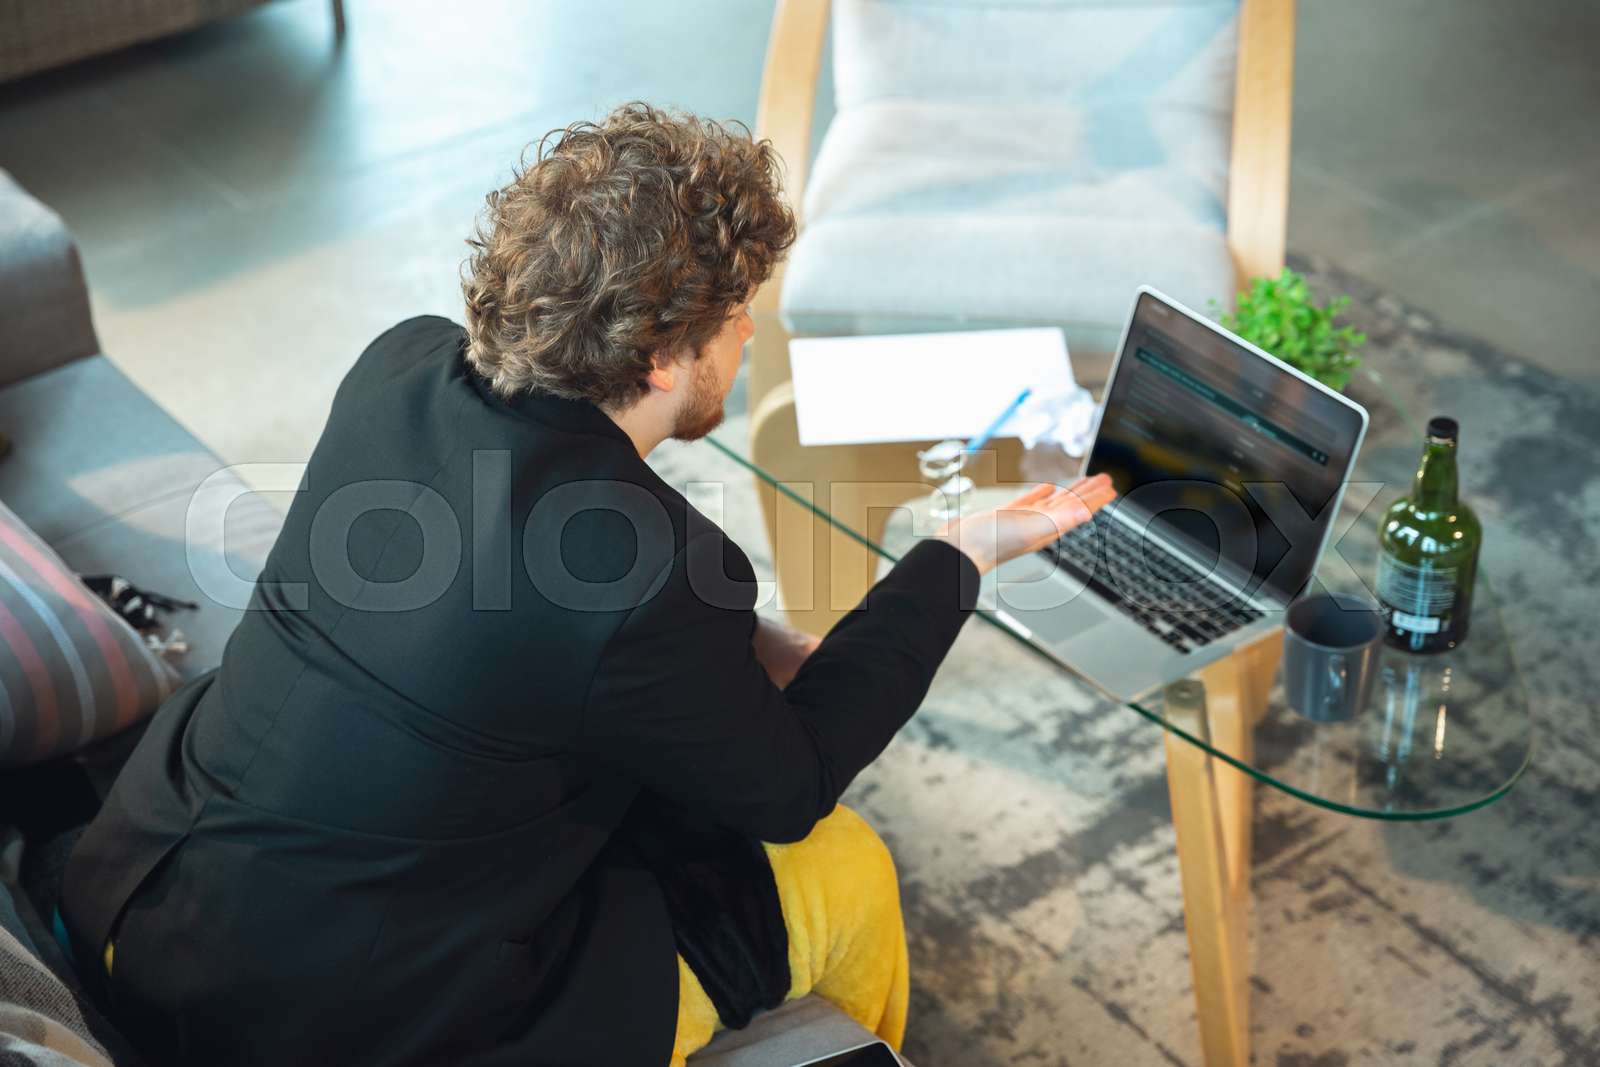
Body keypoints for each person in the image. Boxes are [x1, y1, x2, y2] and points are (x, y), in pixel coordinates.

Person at [59, 103, 1114, 1066]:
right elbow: (790, 789)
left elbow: (525, 595)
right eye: (739, 312)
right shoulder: (658, 564)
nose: (750, 333)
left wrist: (728, 646)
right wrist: (958, 551)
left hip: (138, 894)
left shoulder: (401, 364)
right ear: (662, 356)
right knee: (846, 866)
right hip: (333, 1022)